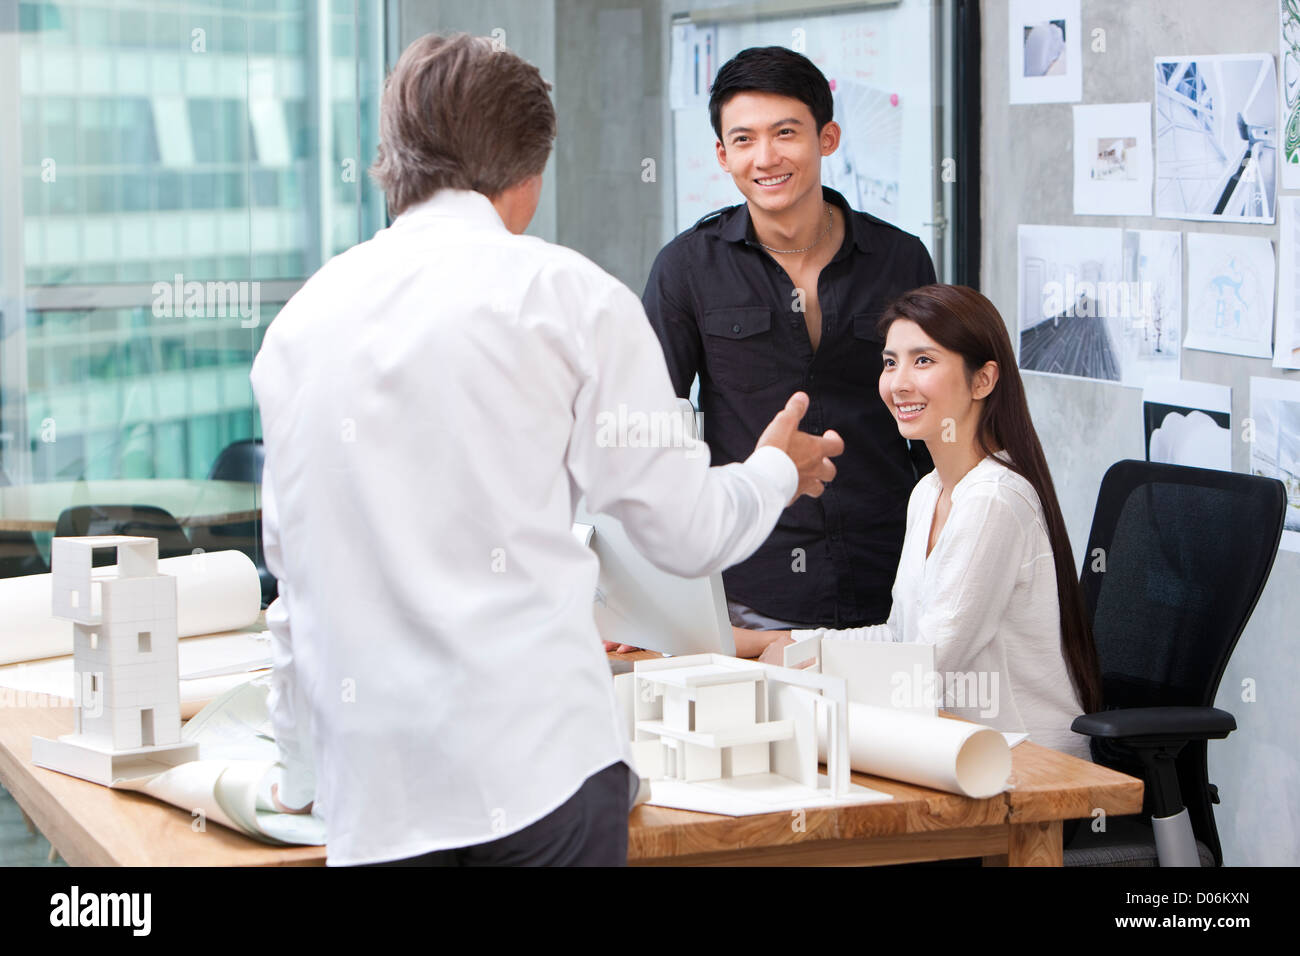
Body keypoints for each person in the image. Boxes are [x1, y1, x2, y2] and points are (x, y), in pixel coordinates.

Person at [249, 33, 844, 866]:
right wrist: (778, 469)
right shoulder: (568, 297)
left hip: (375, 800)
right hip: (542, 781)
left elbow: (295, 588)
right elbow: (688, 535)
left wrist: (300, 771)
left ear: (394, 157)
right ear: (528, 172)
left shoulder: (300, 324)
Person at [643, 46, 936, 651]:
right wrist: (642, 598)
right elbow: (647, 436)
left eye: (785, 133)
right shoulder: (686, 268)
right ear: (722, 155)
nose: (766, 157)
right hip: (752, 597)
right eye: (744, 139)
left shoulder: (900, 258)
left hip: (893, 582)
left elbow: (941, 423)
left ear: (827, 138)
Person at [739, 285, 1101, 760]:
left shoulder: (993, 500)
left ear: (983, 380)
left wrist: (799, 658)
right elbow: (900, 637)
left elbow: (925, 670)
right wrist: (777, 641)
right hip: (955, 746)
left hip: (1029, 764)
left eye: (923, 361)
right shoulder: (928, 492)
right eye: (890, 362)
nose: (899, 383)